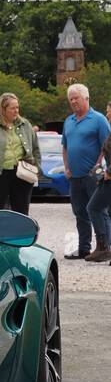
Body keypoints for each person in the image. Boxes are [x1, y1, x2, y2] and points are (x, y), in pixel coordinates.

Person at [0, 91, 42, 230]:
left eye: (17, 107)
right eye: (12, 108)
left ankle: (19, 243)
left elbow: (35, 149)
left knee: (21, 211)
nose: (16, 110)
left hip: (22, 175)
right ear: (3, 109)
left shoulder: (26, 125)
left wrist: (37, 168)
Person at [62, 83, 111, 259]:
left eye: (76, 97)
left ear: (86, 98)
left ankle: (105, 248)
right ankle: (84, 248)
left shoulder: (99, 119)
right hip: (74, 176)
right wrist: (66, 166)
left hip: (93, 176)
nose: (73, 101)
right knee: (79, 212)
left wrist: (98, 167)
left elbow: (106, 147)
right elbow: (65, 147)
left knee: (99, 210)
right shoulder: (69, 121)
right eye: (71, 99)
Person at [85, 101, 111, 262]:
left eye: (109, 111)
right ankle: (103, 247)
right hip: (105, 177)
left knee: (93, 207)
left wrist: (109, 172)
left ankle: (102, 247)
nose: (107, 114)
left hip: (109, 179)